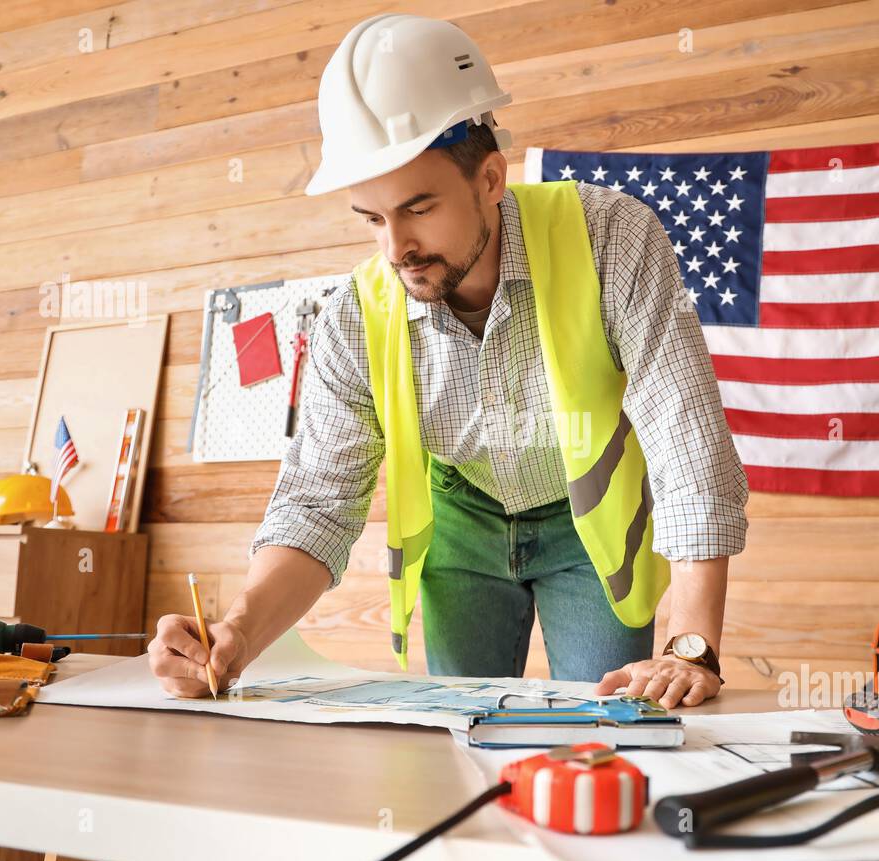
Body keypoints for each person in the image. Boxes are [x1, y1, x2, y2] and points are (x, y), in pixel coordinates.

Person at [147, 13, 748, 709]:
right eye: (371, 219)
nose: (395, 248)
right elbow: (317, 503)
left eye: (418, 208)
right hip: (462, 523)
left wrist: (692, 646)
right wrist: (238, 635)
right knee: (461, 731)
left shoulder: (611, 235)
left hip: (590, 527)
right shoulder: (354, 315)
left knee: (611, 725)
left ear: (490, 177)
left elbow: (687, 440)